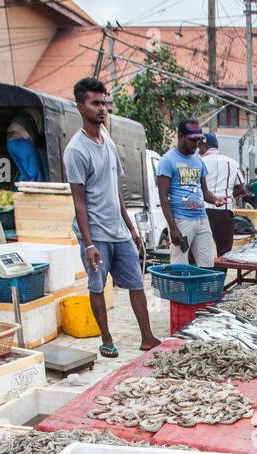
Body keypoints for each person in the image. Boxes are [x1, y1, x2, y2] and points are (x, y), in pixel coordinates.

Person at [65, 77, 157, 359]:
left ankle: (147, 337)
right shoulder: (76, 150)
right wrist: (89, 243)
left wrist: (131, 228)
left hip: (118, 231)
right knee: (97, 287)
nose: (102, 109)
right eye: (95, 103)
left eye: (104, 103)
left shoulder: (108, 142)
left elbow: (115, 190)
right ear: (81, 107)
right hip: (96, 234)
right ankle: (106, 339)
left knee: (136, 284)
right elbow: (78, 201)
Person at [156, 118, 223, 268]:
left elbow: (205, 192)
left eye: (198, 140)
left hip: (201, 219)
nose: (196, 144)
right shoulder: (167, 160)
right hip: (181, 221)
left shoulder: (199, 161)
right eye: (192, 140)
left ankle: (202, 292)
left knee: (207, 265)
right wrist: (173, 227)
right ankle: (180, 292)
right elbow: (163, 197)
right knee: (179, 267)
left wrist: (216, 200)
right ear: (180, 136)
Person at [199, 132, 243, 257]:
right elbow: (241, 188)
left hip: (203, 211)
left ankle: (202, 275)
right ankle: (221, 275)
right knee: (224, 251)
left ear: (205, 146)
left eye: (200, 147)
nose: (199, 150)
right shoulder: (232, 163)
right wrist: (228, 195)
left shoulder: (199, 162)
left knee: (200, 250)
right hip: (224, 211)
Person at [5, 115, 43, 183]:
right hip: (23, 139)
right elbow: (41, 133)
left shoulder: (25, 112)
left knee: (25, 172)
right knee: (35, 173)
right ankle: (37, 191)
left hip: (10, 142)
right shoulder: (41, 113)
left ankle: (28, 189)